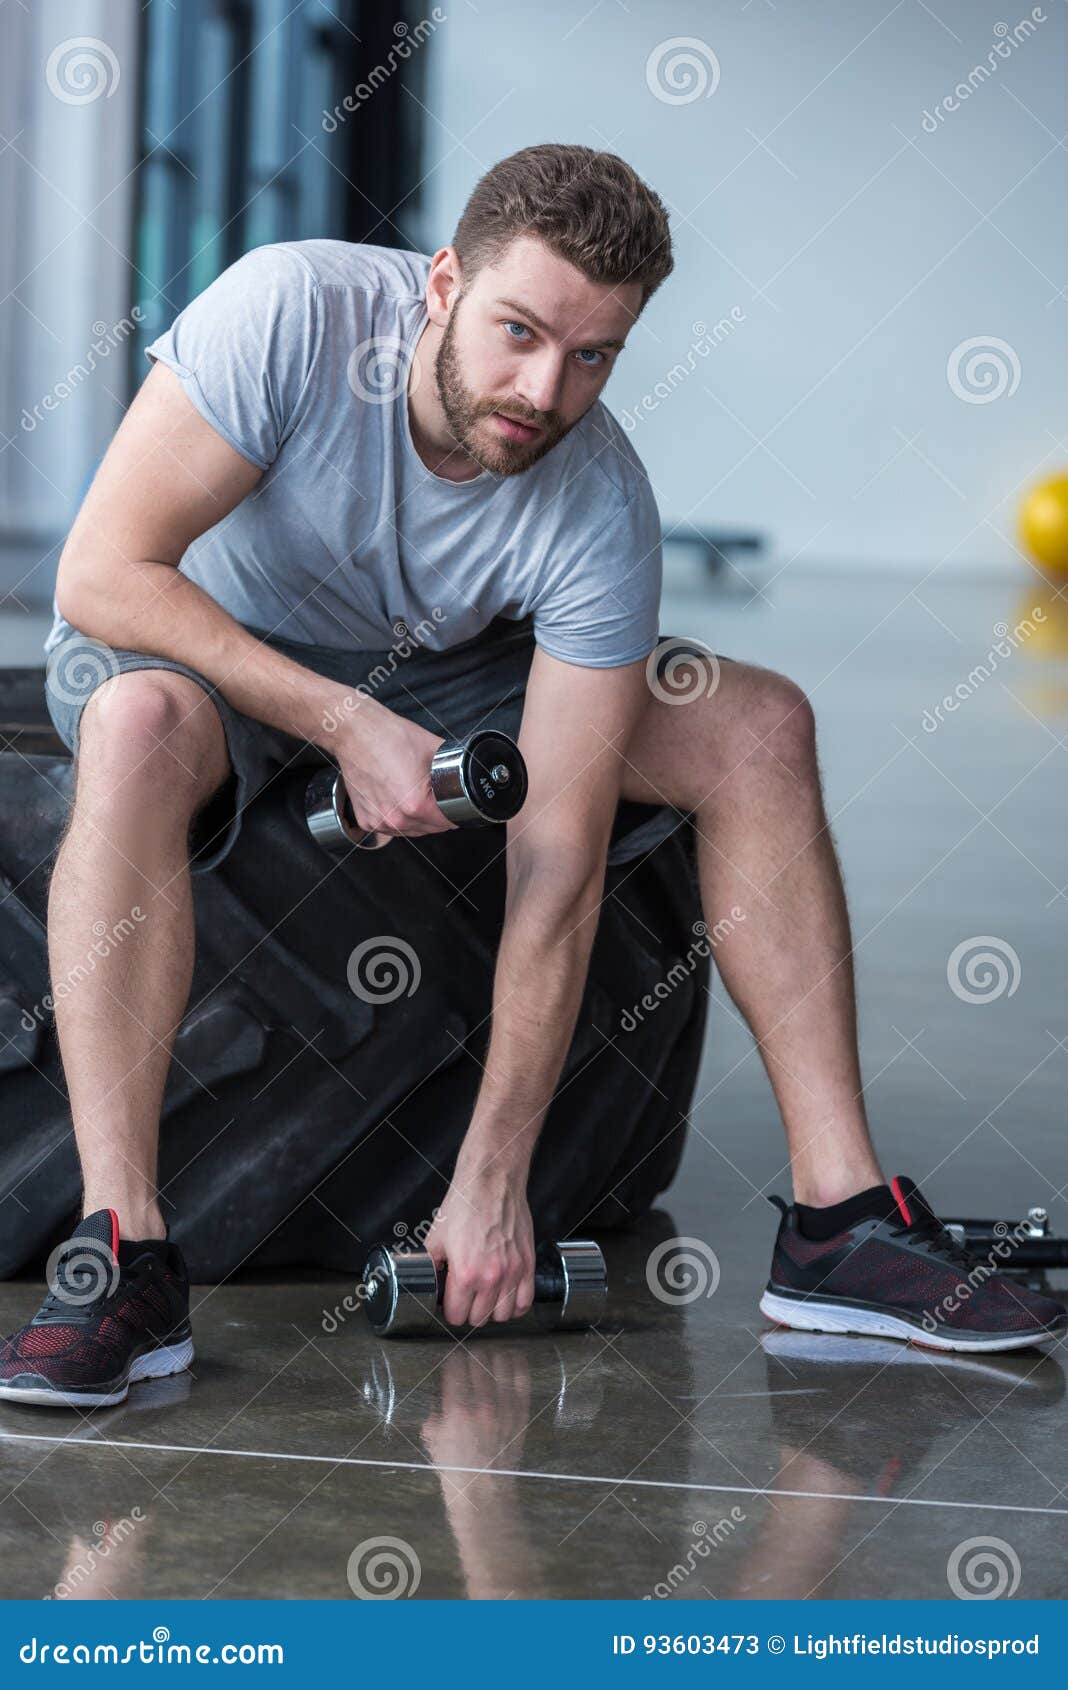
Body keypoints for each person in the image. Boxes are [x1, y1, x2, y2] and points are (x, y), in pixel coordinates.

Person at [2, 144, 1062, 1409]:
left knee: (759, 723)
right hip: (201, 640)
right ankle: (125, 1253)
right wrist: (343, 719)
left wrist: (490, 1178)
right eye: (519, 331)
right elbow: (105, 575)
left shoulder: (597, 504)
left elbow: (554, 874)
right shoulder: (289, 310)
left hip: (447, 673)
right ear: (441, 281)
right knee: (132, 730)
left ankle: (839, 1225)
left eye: (593, 355)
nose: (544, 388)